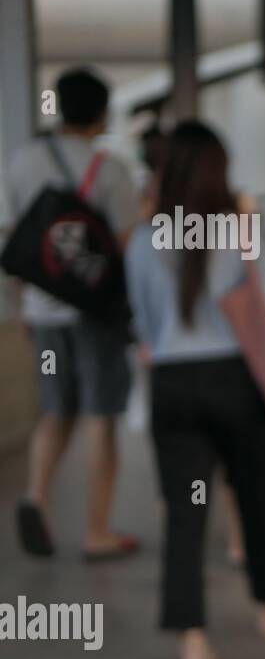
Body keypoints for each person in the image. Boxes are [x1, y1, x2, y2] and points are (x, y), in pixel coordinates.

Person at [125, 120, 265, 659]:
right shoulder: (242, 230)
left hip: (174, 384)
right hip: (236, 382)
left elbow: (142, 325)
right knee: (255, 496)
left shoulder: (142, 240)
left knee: (185, 517)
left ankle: (193, 641)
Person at [7, 67, 140, 560]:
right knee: (100, 416)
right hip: (97, 314)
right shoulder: (110, 170)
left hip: (42, 312)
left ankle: (35, 498)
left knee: (54, 409)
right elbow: (130, 248)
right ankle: (98, 530)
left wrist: (22, 302)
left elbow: (13, 240)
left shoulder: (22, 161)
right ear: (102, 113)